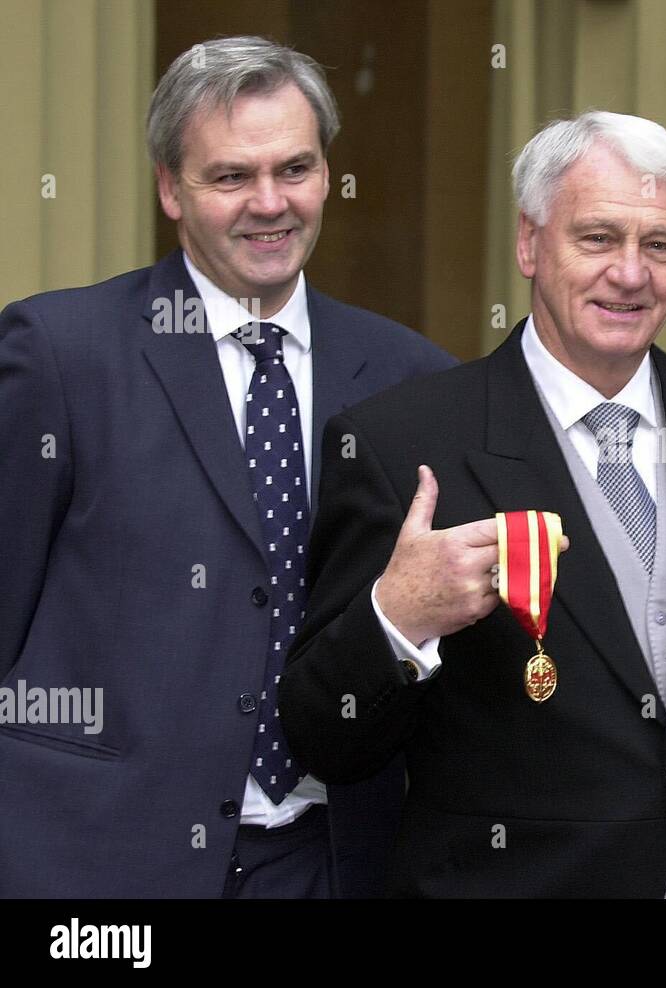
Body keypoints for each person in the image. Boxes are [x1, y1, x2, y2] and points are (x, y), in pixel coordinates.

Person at [279, 110, 666, 898]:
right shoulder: (401, 445)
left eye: (660, 245)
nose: (631, 274)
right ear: (530, 243)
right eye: (599, 238)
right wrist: (398, 619)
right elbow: (325, 737)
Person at [0, 36, 455, 897]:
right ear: (171, 189)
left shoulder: (410, 377)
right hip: (95, 865)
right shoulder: (61, 354)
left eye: (296, 168)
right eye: (231, 176)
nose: (270, 203)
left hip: (329, 861)